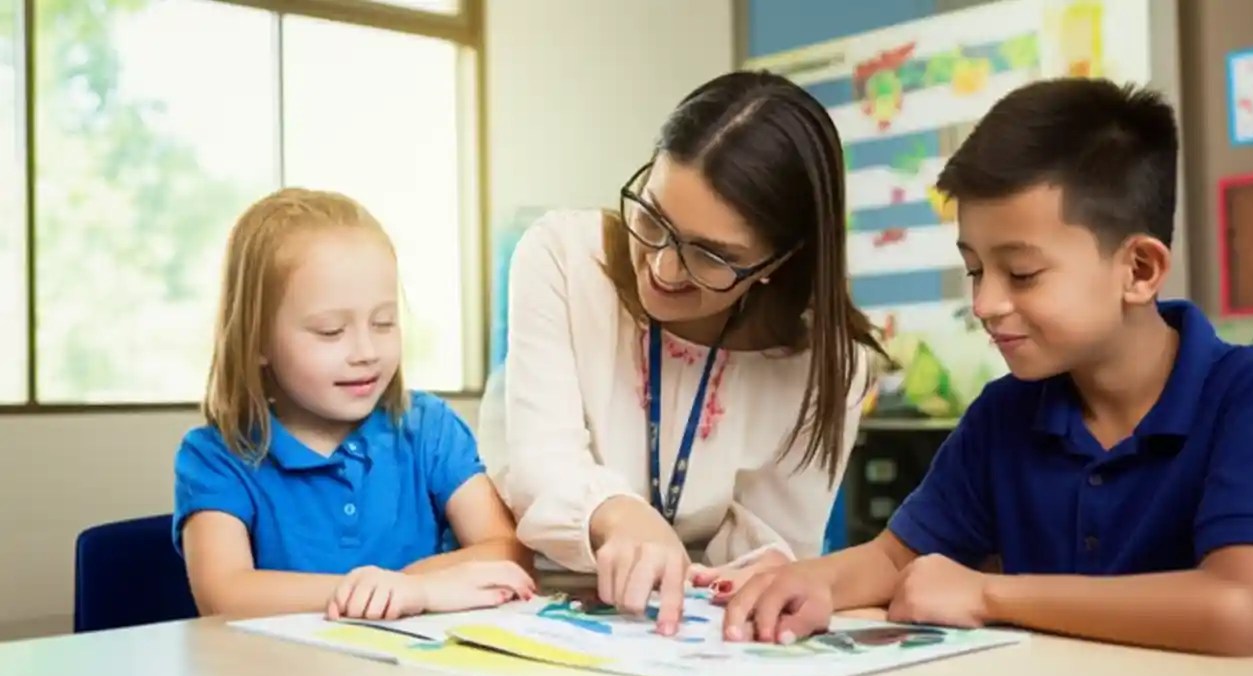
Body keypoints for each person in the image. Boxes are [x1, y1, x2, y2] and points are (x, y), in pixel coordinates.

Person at [724, 78, 1253, 657]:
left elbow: (1239, 610)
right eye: (974, 270)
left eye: (1021, 274)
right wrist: (810, 580)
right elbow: (895, 558)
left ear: (1138, 270)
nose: (985, 304)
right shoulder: (1006, 413)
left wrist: (990, 595)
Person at [483, 70, 882, 635]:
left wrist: (760, 573)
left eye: (711, 255)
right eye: (652, 217)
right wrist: (619, 516)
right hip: (527, 590)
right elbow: (540, 461)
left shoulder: (827, 366)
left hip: (688, 626)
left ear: (778, 263)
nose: (664, 268)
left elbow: (774, 546)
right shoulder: (563, 258)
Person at [174, 188, 534, 620]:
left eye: (384, 323)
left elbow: (508, 552)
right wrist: (389, 589)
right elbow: (226, 594)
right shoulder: (215, 457)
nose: (366, 350)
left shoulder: (429, 429)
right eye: (330, 331)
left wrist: (410, 589)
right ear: (257, 342)